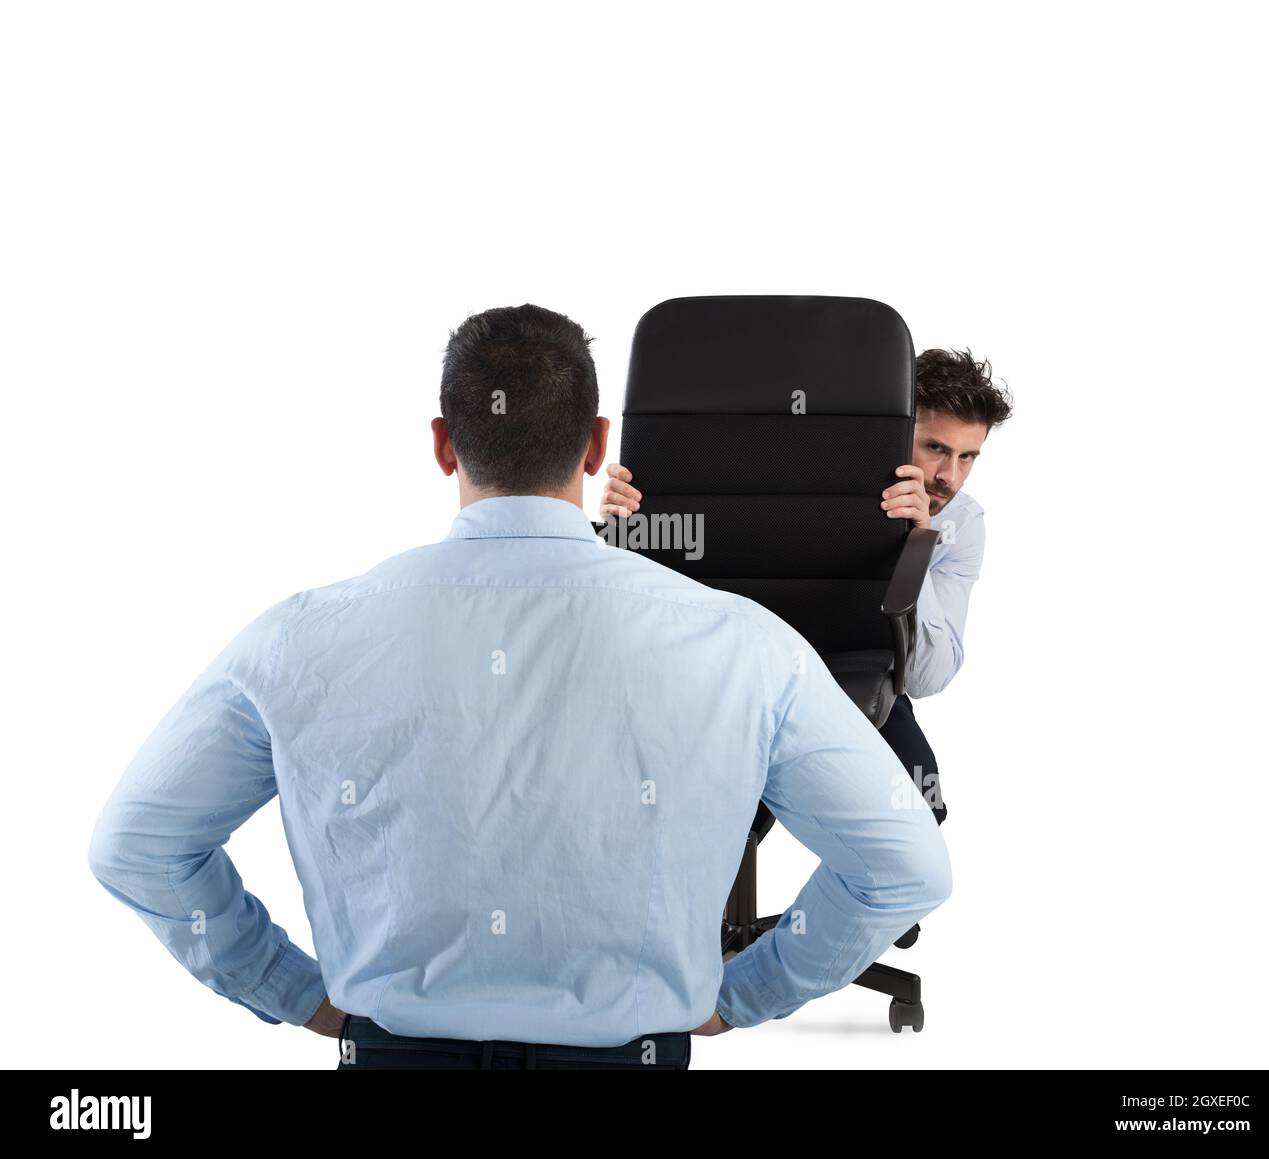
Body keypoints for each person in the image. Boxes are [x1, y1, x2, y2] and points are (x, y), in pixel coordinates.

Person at [87, 303, 951, 1070]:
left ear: (440, 442)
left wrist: (295, 991)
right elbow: (903, 866)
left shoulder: (297, 639)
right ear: (597, 445)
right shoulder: (750, 645)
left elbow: (137, 845)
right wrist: (737, 997)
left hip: (391, 1053)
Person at [600, 348, 1013, 826]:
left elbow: (926, 678)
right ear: (894, 432)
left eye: (967, 457)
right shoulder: (806, 469)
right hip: (730, 669)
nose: (950, 477)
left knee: (920, 817)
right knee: (698, 826)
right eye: (935, 448)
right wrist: (629, 531)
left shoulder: (962, 522)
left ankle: (803, 906)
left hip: (851, 669)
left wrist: (914, 542)